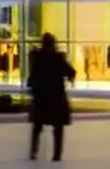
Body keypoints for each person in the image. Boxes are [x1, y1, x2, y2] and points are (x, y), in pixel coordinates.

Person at [28, 33, 76, 161]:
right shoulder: (58, 58)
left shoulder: (38, 58)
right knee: (58, 127)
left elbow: (32, 77)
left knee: (37, 126)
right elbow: (71, 72)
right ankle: (57, 154)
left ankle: (33, 152)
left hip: (41, 97)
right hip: (56, 97)